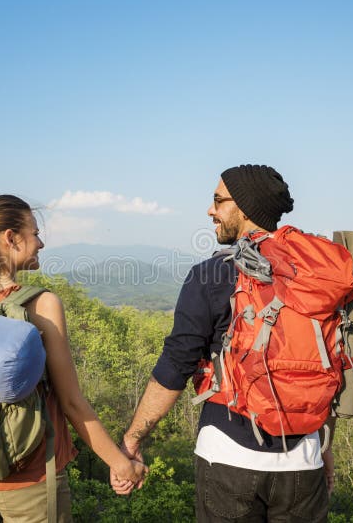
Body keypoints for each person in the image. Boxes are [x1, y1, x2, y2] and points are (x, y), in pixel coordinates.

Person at [116, 165, 335, 521]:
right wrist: (323, 448)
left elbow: (175, 366)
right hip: (303, 459)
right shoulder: (313, 278)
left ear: (245, 209)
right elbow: (330, 363)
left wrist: (132, 439)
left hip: (229, 457)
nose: (210, 210)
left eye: (218, 200)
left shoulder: (211, 275)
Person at [0, 195, 147, 523]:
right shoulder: (41, 305)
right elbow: (71, 401)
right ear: (11, 238)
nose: (40, 243)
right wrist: (121, 464)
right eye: (34, 233)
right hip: (31, 481)